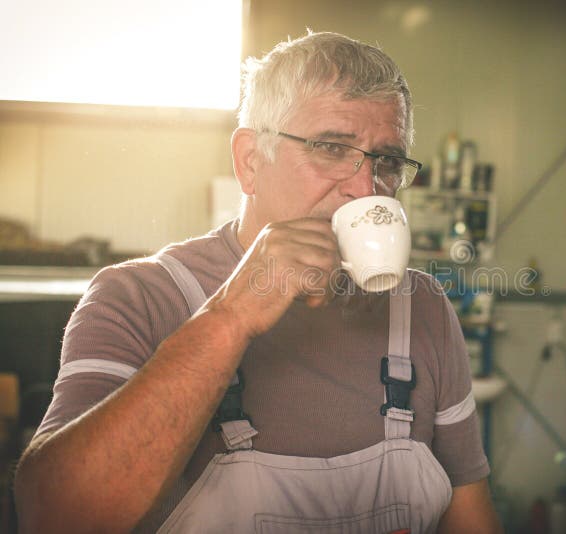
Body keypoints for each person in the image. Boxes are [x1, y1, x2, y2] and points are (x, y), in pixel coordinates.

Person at [14, 31, 503, 533]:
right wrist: (231, 315)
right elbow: (53, 515)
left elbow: (471, 518)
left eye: (388, 161)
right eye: (332, 148)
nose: (365, 187)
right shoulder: (139, 297)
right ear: (250, 160)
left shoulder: (420, 305)